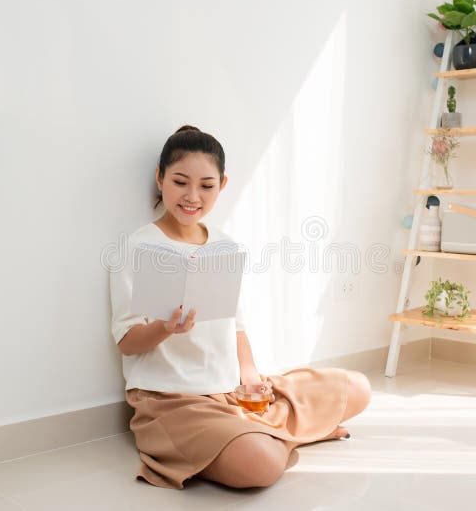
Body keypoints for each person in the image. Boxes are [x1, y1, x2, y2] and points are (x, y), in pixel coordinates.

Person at [110, 125, 371, 490]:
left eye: (206, 186)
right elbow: (126, 342)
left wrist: (249, 374)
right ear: (160, 178)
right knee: (260, 466)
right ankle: (287, 436)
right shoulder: (138, 247)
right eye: (180, 182)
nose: (192, 196)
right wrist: (165, 328)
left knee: (356, 387)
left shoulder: (223, 245)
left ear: (222, 185)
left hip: (229, 391)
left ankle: (258, 430)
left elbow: (236, 325)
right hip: (171, 402)